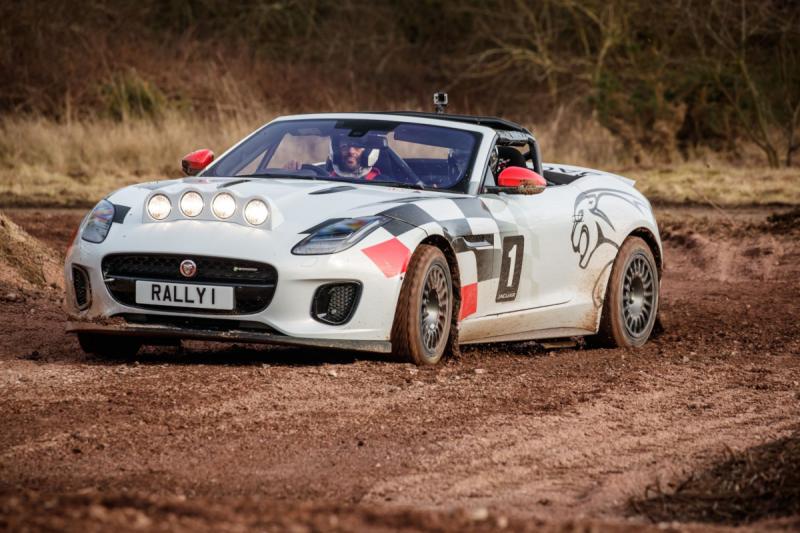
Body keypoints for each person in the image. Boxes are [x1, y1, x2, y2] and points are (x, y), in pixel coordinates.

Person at [285, 133, 382, 180]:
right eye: (344, 146)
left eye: (358, 146)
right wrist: (287, 175)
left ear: (369, 152)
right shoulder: (319, 177)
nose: (351, 151)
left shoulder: (384, 184)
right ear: (336, 151)